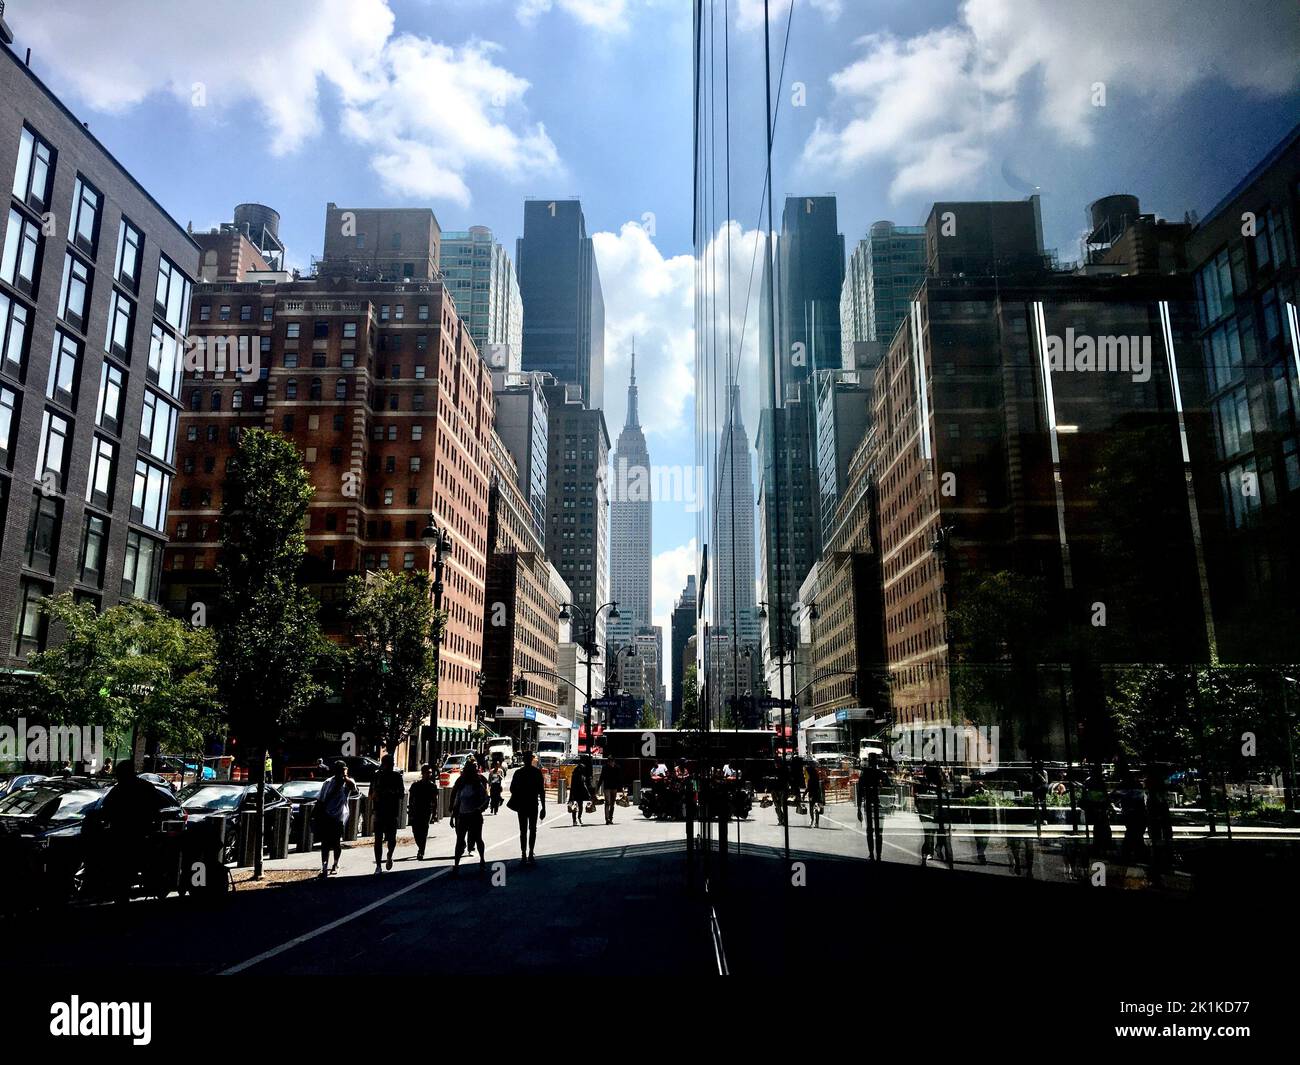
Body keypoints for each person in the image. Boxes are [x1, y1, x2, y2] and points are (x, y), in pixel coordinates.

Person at [313, 761, 357, 878]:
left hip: (339, 817)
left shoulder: (347, 783)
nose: (340, 772)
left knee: (336, 842)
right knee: (325, 844)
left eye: (342, 769)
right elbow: (321, 799)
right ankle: (324, 866)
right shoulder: (328, 782)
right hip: (327, 816)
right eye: (339, 770)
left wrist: (345, 776)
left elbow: (353, 787)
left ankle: (335, 863)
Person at [449, 758, 489, 874]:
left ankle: (482, 859)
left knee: (478, 839)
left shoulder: (478, 784)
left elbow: (486, 799)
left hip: (474, 816)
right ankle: (456, 865)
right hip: (462, 816)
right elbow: (457, 800)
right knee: (459, 840)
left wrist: (480, 809)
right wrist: (452, 816)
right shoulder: (461, 784)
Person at [508, 752, 547, 864]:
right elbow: (541, 791)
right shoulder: (536, 773)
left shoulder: (518, 773)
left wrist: (520, 793)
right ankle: (530, 852)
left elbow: (512, 789)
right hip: (533, 804)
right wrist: (544, 807)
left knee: (523, 830)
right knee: (533, 829)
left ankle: (524, 853)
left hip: (521, 804)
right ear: (531, 760)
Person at [369, 753, 404, 873]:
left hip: (391, 811)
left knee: (391, 839)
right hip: (379, 811)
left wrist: (390, 792)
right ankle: (378, 865)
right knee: (377, 839)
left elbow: (401, 794)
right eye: (389, 764)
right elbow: (370, 794)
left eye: (392, 764)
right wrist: (375, 796)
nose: (390, 766)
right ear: (383, 765)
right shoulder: (376, 776)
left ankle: (389, 855)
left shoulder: (397, 776)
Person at [857, 754, 884, 861]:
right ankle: (877, 855)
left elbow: (859, 792)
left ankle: (873, 854)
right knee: (877, 831)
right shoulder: (879, 773)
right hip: (877, 804)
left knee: (871, 830)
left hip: (871, 803)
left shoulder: (865, 773)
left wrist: (858, 808)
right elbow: (889, 787)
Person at [408, 764, 436, 860]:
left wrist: (434, 813)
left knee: (424, 831)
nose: (429, 775)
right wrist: (410, 810)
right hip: (416, 810)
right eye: (428, 773)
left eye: (430, 773)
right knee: (415, 831)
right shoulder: (415, 785)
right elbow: (411, 799)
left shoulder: (432, 786)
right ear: (423, 773)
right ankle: (420, 846)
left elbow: (435, 800)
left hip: (427, 811)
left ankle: (421, 850)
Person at [568, 758, 593, 826]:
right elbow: (584, 784)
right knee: (580, 805)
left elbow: (572, 784)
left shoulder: (574, 772)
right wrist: (588, 793)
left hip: (574, 790)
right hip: (580, 791)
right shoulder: (582, 773)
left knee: (574, 806)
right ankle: (579, 817)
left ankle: (574, 820)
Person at [601, 757, 625, 825]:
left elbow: (620, 778)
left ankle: (610, 818)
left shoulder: (617, 768)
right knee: (607, 802)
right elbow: (601, 777)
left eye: (613, 762)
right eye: (611, 762)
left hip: (614, 788)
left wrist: (622, 788)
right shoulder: (605, 768)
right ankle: (607, 819)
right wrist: (597, 788)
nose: (612, 763)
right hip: (607, 788)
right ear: (608, 762)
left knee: (612, 804)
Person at [804, 759, 824, 826]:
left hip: (812, 795)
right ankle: (817, 822)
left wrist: (804, 795)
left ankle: (812, 820)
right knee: (816, 808)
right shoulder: (816, 778)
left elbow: (808, 788)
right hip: (817, 795)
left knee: (811, 808)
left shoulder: (810, 779)